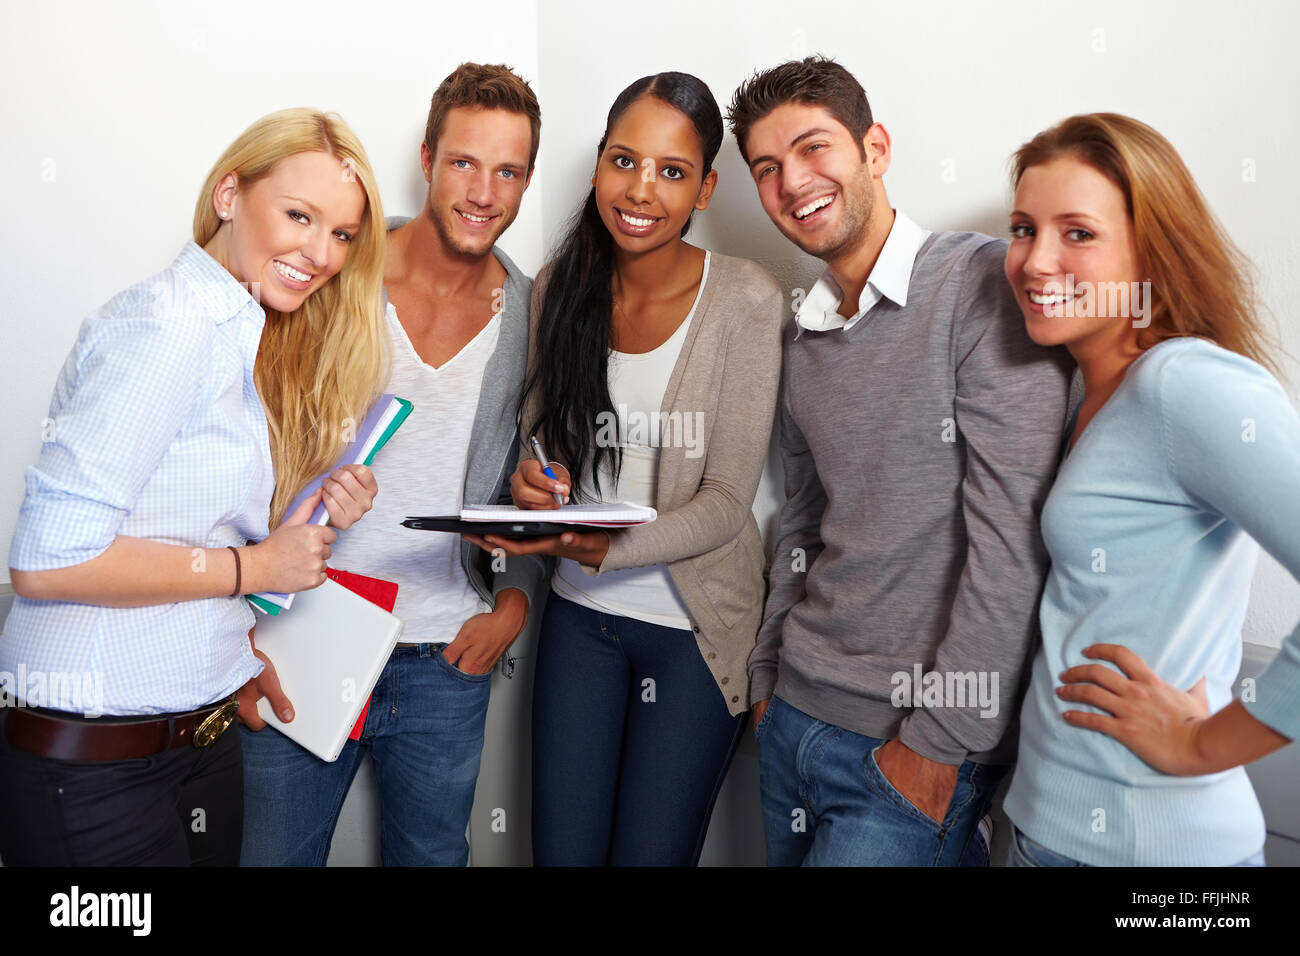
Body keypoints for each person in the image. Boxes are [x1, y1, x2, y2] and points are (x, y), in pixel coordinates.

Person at [0, 107, 388, 866]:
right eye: (299, 216)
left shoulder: (240, 337)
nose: (319, 253)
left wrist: (231, 653)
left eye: (341, 235)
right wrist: (254, 569)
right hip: (97, 771)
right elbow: (45, 563)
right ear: (228, 195)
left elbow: (187, 530)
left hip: (193, 742)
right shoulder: (170, 326)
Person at [727, 56, 1073, 866]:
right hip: (795, 721)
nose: (793, 184)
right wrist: (769, 676)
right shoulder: (802, 334)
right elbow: (804, 520)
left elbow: (1013, 547)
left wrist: (939, 746)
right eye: (767, 168)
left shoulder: (982, 285)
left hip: (911, 746)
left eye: (815, 150)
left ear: (874, 149)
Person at [473, 71, 784, 866]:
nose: (641, 189)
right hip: (579, 620)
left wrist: (611, 547)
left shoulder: (745, 299)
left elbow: (725, 502)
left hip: (693, 637)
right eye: (624, 160)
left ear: (706, 187)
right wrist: (533, 485)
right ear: (598, 166)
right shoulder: (558, 288)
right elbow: (543, 436)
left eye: (672, 172)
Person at [238, 63, 545, 867]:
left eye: (508, 171)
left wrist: (512, 605)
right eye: (465, 163)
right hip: (301, 633)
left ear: (527, 182)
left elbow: (538, 478)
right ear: (427, 158)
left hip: (445, 653)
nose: (483, 191)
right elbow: (250, 440)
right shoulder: (338, 273)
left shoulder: (533, 315)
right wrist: (239, 624)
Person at [998, 113, 1298, 867]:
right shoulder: (1086, 388)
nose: (1036, 261)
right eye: (1023, 228)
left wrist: (1203, 743)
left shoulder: (1183, 385)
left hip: (1153, 852)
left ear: (1150, 249)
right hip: (1052, 832)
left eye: (1078, 233)